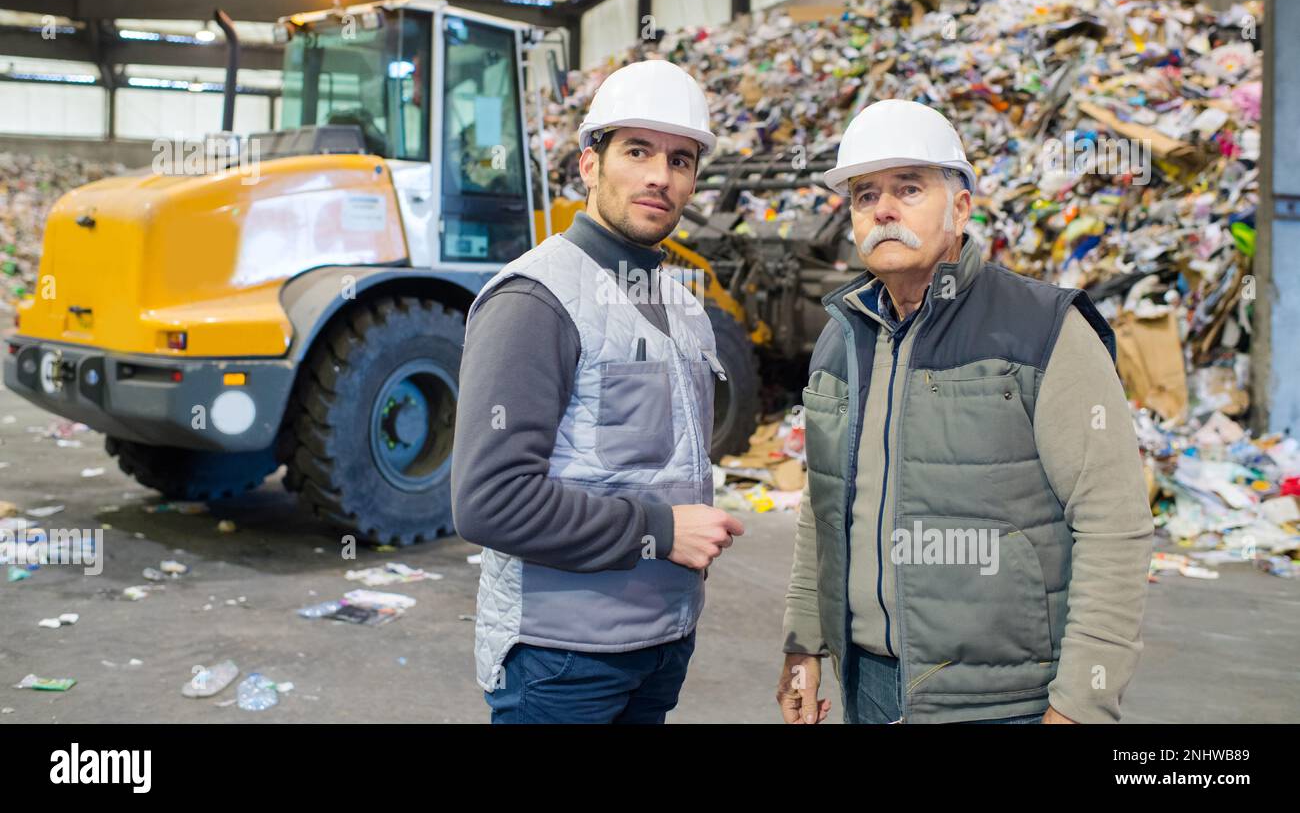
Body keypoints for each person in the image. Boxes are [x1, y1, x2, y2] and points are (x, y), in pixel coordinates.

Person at [776, 99, 1153, 724]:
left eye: (909, 188)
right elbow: (823, 514)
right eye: (865, 195)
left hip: (1006, 702)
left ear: (961, 207)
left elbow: (1114, 524)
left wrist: (1084, 703)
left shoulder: (1043, 329)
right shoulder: (842, 338)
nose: (884, 210)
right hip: (867, 684)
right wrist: (802, 643)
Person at [453, 59, 744, 724]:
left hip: (660, 643)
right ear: (589, 164)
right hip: (563, 660)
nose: (658, 176)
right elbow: (490, 503)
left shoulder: (682, 305)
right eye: (637, 151)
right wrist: (660, 529)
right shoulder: (537, 299)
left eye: (680, 160)